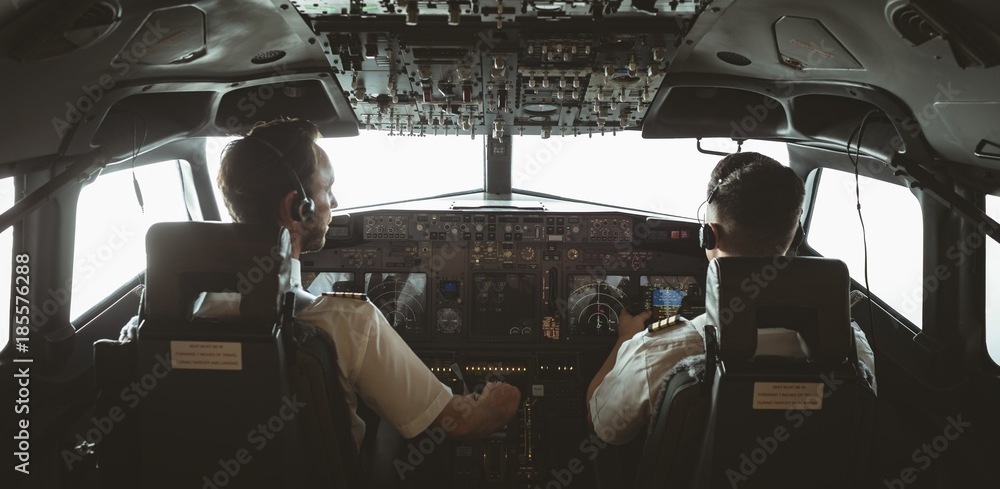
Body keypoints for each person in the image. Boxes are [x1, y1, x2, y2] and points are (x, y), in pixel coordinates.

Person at [212, 117, 521, 451]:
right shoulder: (347, 322)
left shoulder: (167, 306)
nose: (336, 203)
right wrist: (493, 406)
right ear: (295, 207)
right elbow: (459, 424)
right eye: (327, 190)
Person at [586, 152, 876, 445]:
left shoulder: (663, 352)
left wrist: (624, 340)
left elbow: (604, 427)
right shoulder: (848, 346)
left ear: (710, 235)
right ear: (795, 236)